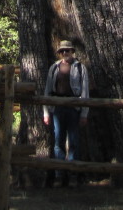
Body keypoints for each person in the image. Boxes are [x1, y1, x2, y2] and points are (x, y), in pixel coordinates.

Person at [43, 41, 89, 185]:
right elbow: (48, 89)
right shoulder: (54, 68)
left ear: (72, 51)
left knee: (74, 141)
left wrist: (84, 113)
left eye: (67, 51)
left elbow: (85, 91)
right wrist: (45, 111)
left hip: (74, 108)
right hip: (57, 107)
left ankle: (73, 174)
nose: (65, 53)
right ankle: (59, 174)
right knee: (58, 142)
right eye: (62, 51)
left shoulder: (80, 68)